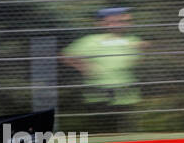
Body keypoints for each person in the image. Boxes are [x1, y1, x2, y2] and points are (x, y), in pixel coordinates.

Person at [61, 7, 146, 135]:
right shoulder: (91, 40)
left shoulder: (132, 40)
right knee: (103, 129)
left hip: (125, 92)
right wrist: (85, 67)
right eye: (115, 21)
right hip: (99, 92)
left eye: (123, 21)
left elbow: (136, 60)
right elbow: (67, 56)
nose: (121, 23)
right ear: (103, 23)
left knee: (126, 129)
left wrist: (141, 49)